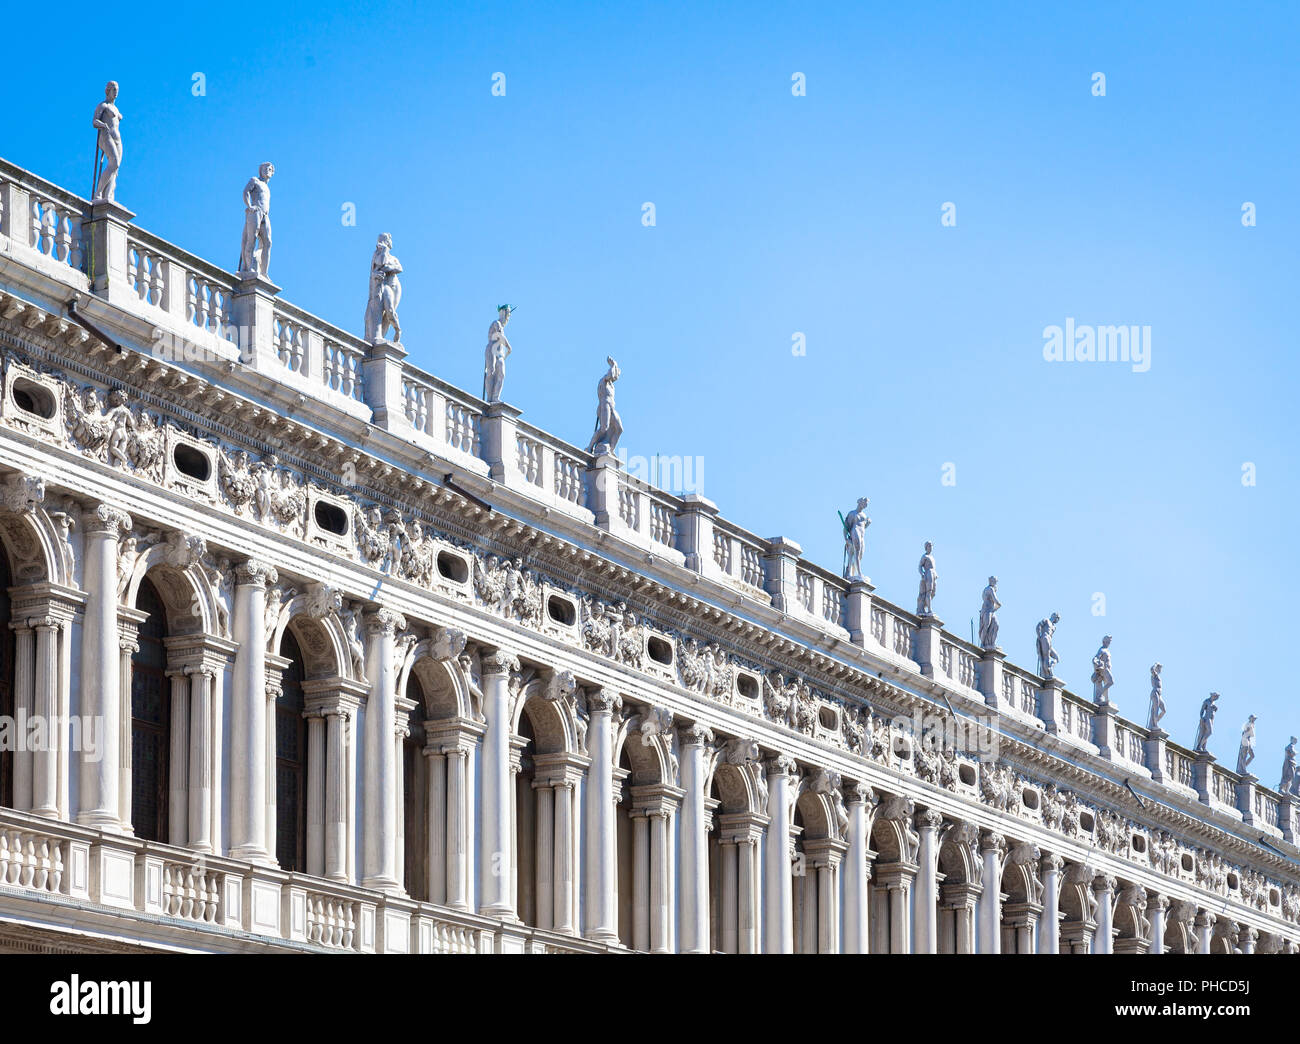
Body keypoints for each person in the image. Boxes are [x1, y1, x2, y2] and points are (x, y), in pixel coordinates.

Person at [363, 234, 403, 342]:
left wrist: (390, 268)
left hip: (394, 286)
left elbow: (400, 268)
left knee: (389, 313)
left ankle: (397, 330)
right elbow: (381, 263)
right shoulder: (377, 255)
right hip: (384, 286)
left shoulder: (393, 258)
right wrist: (384, 250)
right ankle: (392, 331)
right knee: (388, 309)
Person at [239, 163, 275, 276]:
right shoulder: (255, 180)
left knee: (268, 242)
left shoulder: (267, 187)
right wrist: (249, 206)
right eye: (265, 169)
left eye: (269, 169)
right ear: (260, 170)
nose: (267, 171)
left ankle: (264, 273)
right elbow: (245, 192)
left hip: (265, 214)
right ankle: (248, 268)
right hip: (255, 211)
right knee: (251, 239)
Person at [92, 81, 123, 203]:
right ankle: (98, 192)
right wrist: (103, 125)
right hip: (106, 135)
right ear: (108, 90)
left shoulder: (116, 108)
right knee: (114, 163)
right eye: (114, 90)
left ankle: (108, 195)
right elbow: (94, 121)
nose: (116, 92)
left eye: (117, 90)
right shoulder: (103, 106)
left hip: (117, 139)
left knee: (115, 169)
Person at [586, 357, 623, 453]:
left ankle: (611, 450)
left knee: (619, 428)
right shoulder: (604, 380)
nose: (616, 376)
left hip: (611, 407)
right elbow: (610, 374)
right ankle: (590, 447)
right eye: (616, 373)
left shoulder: (612, 386)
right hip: (604, 405)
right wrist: (613, 365)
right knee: (604, 428)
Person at [483, 305, 514, 402]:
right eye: (508, 313)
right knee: (491, 372)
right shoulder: (496, 323)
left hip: (499, 352)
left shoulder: (502, 326)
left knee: (501, 373)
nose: (508, 316)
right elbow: (500, 336)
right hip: (491, 350)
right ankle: (489, 398)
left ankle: (495, 397)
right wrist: (508, 347)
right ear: (503, 312)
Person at [841, 497, 870, 580]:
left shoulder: (864, 516)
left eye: (866, 505)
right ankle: (859, 573)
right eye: (864, 503)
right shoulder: (852, 513)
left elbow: (864, 527)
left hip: (861, 536)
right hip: (855, 532)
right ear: (859, 502)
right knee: (856, 553)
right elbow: (846, 527)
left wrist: (867, 523)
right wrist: (846, 539)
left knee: (860, 554)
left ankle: (851, 572)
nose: (865, 505)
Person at [978, 576, 1000, 648]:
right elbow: (995, 600)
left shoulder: (990, 589)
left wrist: (994, 609)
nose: (996, 583)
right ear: (991, 581)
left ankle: (992, 643)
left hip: (991, 611)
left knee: (996, 625)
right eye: (995, 581)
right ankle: (983, 643)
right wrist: (999, 605)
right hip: (987, 610)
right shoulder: (990, 589)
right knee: (986, 626)